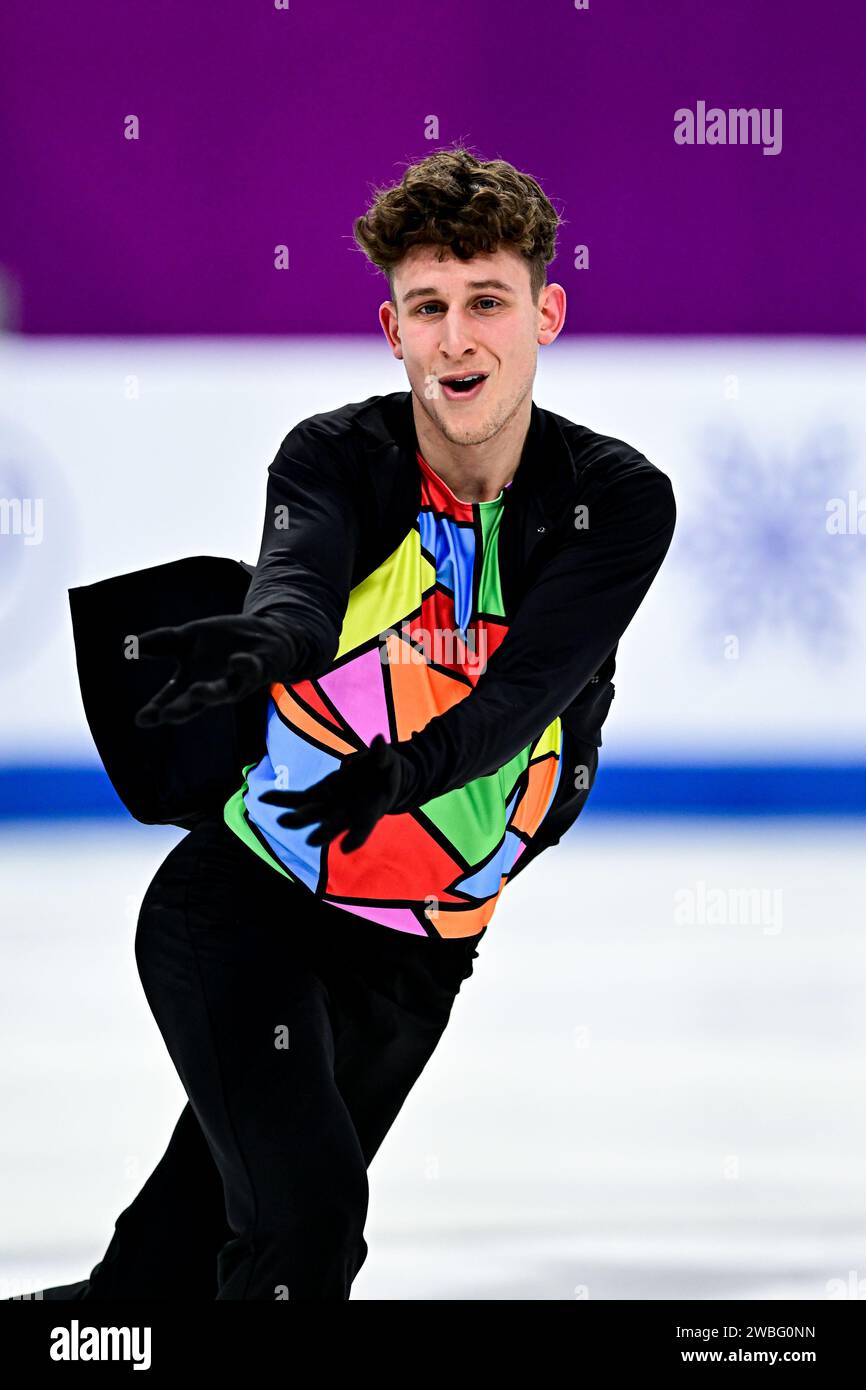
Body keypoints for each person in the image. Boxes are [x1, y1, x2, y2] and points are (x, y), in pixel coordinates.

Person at [12, 145, 676, 1301]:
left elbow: (525, 693)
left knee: (152, 1293)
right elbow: (301, 587)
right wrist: (266, 645)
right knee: (306, 1230)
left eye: (485, 303)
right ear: (392, 329)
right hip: (244, 906)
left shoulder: (611, 501)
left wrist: (397, 774)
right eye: (429, 308)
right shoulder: (336, 455)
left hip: (416, 958)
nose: (457, 338)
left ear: (545, 313)